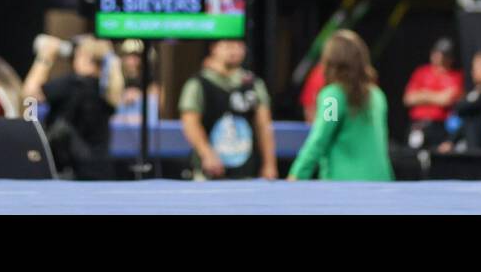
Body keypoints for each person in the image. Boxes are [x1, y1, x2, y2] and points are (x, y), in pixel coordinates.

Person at [288, 30, 393, 181]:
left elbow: (319, 139)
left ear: (330, 61)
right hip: (382, 183)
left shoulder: (333, 97)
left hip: (344, 189)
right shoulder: (377, 95)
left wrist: (296, 175)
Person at [24, 34, 121, 178]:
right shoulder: (105, 88)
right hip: (100, 172)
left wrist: (45, 57)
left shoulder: (73, 84)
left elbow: (29, 95)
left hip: (73, 174)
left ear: (85, 57)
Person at [179, 40, 277, 180]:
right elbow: (190, 123)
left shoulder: (253, 84)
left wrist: (269, 164)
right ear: (214, 49)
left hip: (246, 171)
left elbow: (264, 126)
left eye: (239, 46)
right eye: (228, 46)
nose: (234, 50)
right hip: (208, 172)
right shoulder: (198, 83)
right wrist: (207, 153)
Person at [401, 37, 463, 148]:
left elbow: (446, 100)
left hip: (439, 126)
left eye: (443, 54)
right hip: (417, 124)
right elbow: (408, 98)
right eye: (436, 53)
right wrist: (436, 96)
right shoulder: (421, 72)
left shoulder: (456, 76)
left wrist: (424, 94)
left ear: (451, 58)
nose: (438, 57)